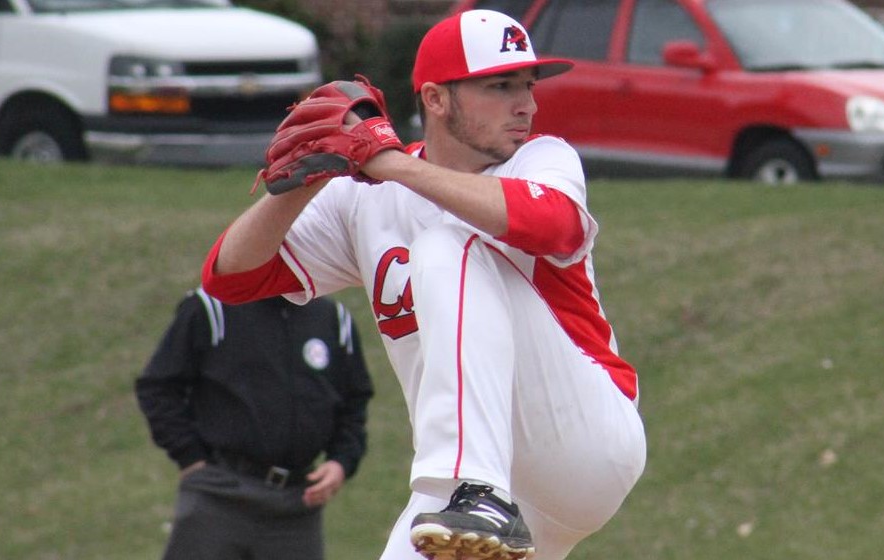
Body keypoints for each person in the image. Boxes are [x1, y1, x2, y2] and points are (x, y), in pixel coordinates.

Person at [200, 8, 646, 560]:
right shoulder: (364, 197)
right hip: (466, 492)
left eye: (527, 86)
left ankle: (476, 488)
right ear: (436, 99)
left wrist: (388, 164)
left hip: (580, 439)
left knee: (442, 243)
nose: (526, 104)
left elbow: (550, 224)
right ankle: (475, 492)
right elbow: (231, 278)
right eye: (501, 86)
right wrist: (304, 180)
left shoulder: (542, 158)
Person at [135, 288, 374, 560]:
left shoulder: (333, 319)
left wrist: (341, 461)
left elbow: (354, 401)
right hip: (219, 497)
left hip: (297, 508)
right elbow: (158, 387)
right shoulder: (212, 307)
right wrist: (191, 457)